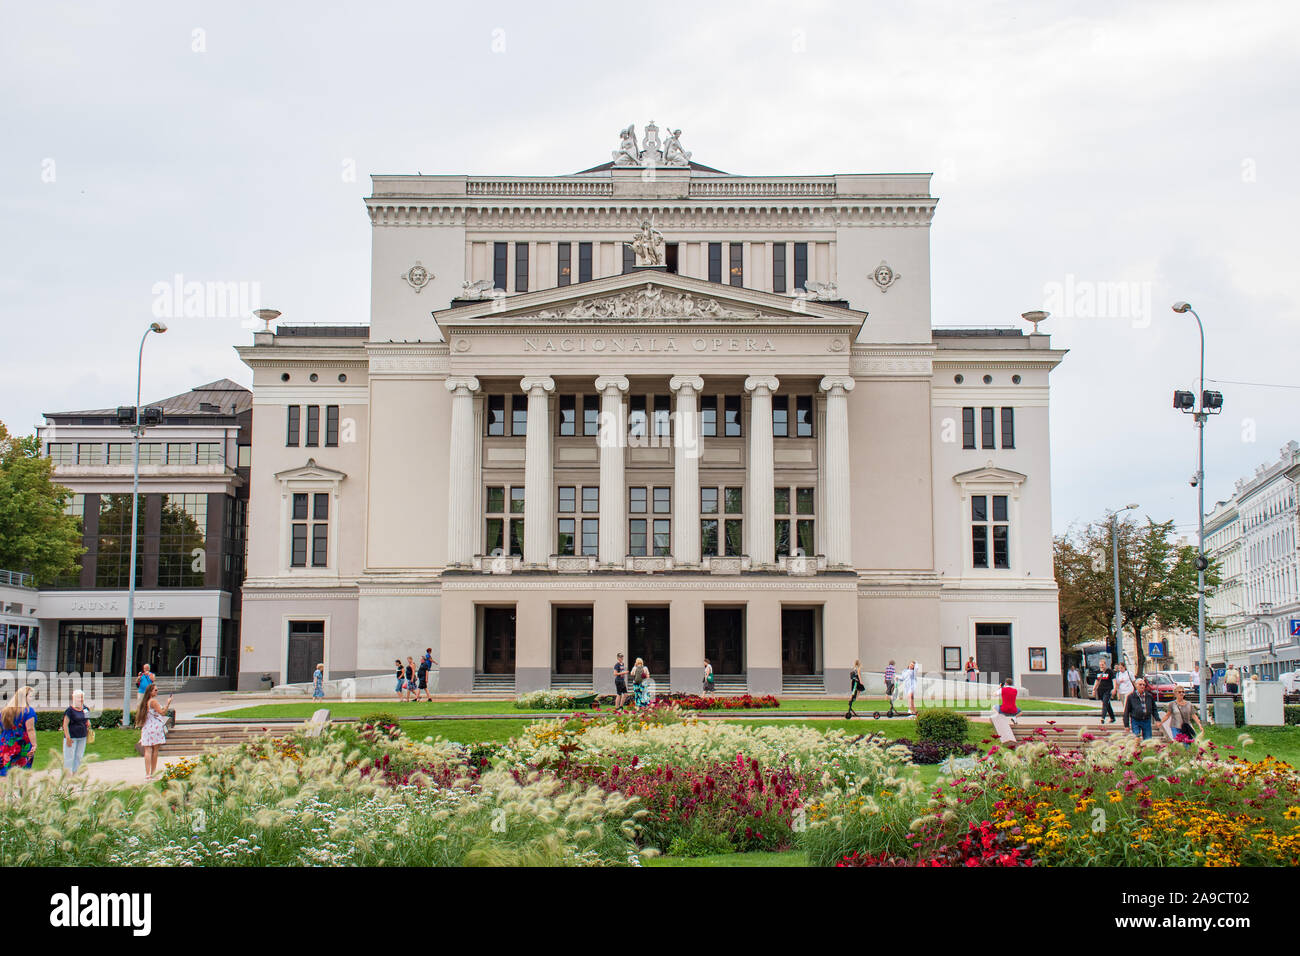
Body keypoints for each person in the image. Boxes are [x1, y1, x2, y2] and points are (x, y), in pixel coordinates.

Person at [137, 684, 173, 779]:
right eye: (155, 690)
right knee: (155, 750)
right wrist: (168, 703)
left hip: (147, 727)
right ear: (151, 692)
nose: (157, 691)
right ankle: (153, 772)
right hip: (155, 727)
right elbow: (162, 712)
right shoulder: (153, 701)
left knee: (147, 750)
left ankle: (147, 774)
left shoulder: (145, 702)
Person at [0, 686, 38, 777]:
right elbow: (30, 729)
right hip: (22, 744)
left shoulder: (5, 711)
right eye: (30, 696)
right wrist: (34, 744)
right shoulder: (29, 711)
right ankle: (21, 791)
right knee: (22, 773)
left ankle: (5, 792)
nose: (32, 699)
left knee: (4, 773)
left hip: (5, 743)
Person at [62, 688, 91, 773]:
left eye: (82, 698)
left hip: (82, 736)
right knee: (69, 757)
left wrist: (88, 723)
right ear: (74, 698)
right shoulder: (69, 710)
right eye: (79, 697)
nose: (81, 700)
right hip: (72, 737)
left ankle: (75, 774)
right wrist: (68, 737)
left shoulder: (85, 709)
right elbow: (65, 724)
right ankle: (67, 775)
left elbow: (87, 719)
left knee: (79, 756)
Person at [1094, 660, 1116, 724]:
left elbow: (1114, 680)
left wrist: (1114, 688)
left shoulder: (1109, 671)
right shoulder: (1098, 672)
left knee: (1105, 703)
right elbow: (1096, 681)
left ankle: (1102, 718)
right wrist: (1094, 689)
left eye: (1102, 665)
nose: (1101, 666)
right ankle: (1112, 718)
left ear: (1105, 664)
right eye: (1100, 665)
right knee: (1107, 704)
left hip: (1108, 690)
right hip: (1100, 690)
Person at [1114, 663, 1135, 728]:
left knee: (1126, 704)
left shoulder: (1129, 673)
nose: (1120, 669)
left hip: (1129, 690)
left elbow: (1134, 681)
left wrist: (1135, 689)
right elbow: (1117, 683)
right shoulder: (1118, 674)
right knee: (1125, 705)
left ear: (1124, 667)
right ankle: (1127, 716)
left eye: (1121, 668)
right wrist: (1118, 692)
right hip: (1121, 691)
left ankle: (1127, 718)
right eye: (1119, 668)